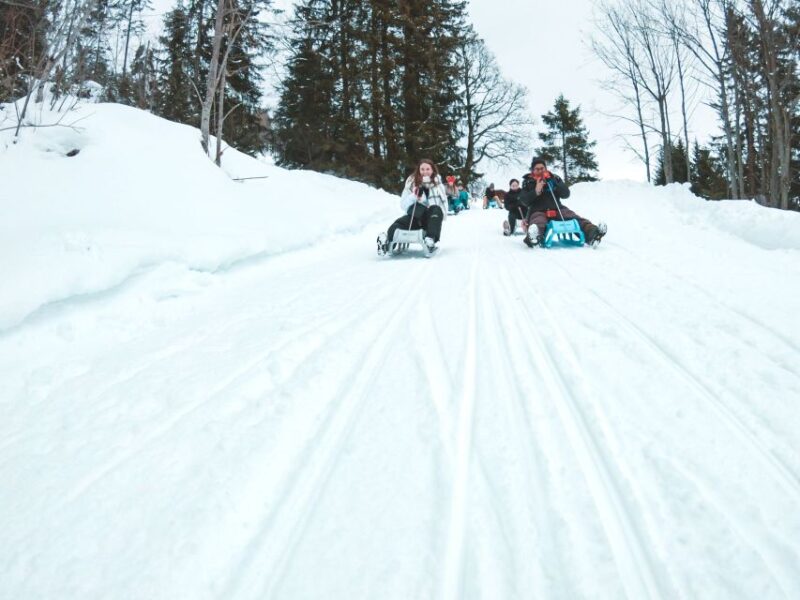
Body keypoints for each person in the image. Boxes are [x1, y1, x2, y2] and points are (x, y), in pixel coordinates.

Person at [520, 157, 606, 247]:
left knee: (574, 218)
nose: (540, 171)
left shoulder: (554, 178)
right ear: (533, 170)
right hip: (538, 210)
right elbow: (524, 200)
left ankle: (593, 233)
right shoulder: (528, 182)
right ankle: (534, 238)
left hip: (557, 208)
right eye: (537, 169)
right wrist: (536, 191)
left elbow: (566, 194)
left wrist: (555, 184)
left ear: (545, 168)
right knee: (538, 222)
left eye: (542, 168)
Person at [382, 159, 447, 253]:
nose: (425, 172)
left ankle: (430, 240)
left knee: (435, 209)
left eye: (428, 169)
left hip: (430, 219)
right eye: (422, 169)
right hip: (414, 216)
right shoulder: (411, 183)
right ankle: (386, 242)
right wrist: (414, 196)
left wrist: (433, 212)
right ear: (418, 170)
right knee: (399, 223)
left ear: (432, 170)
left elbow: (443, 206)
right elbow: (403, 205)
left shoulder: (438, 185)